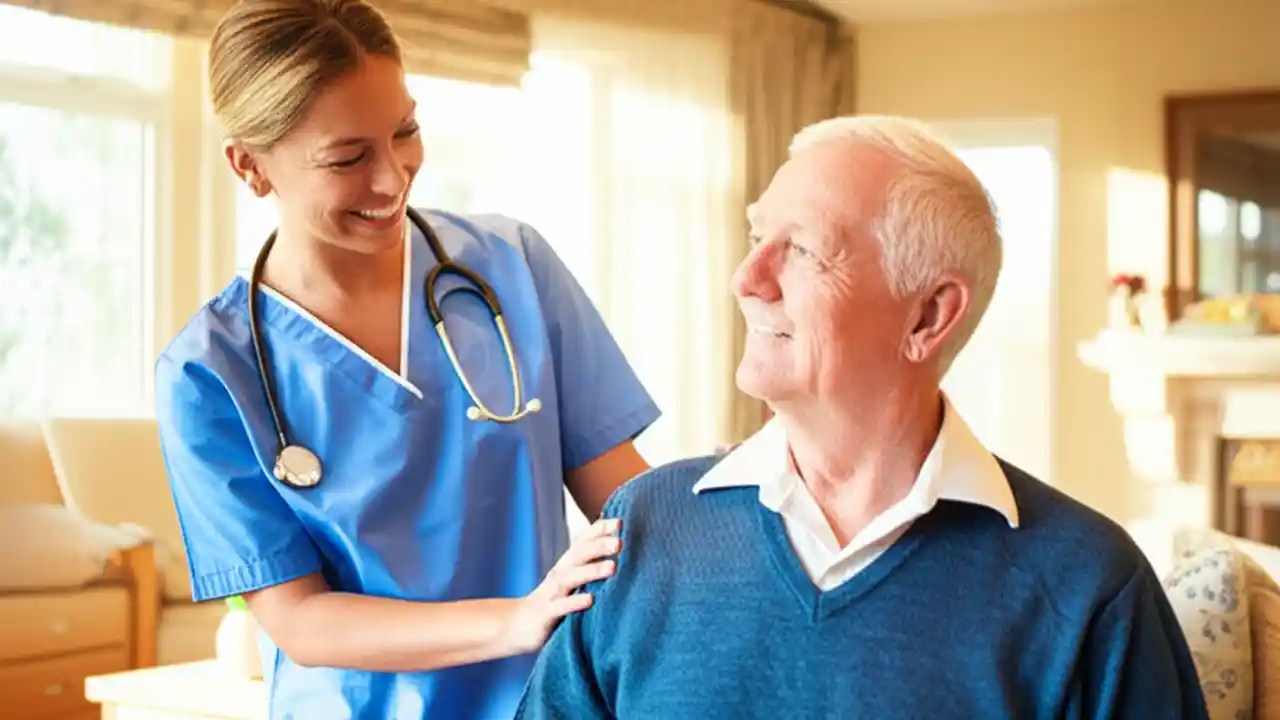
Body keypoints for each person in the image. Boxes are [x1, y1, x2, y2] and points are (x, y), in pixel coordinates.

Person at [514, 116, 1210, 719]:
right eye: (757, 235)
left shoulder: (1088, 585)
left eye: (806, 250)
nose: (747, 278)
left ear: (929, 315)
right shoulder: (645, 528)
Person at [153, 1, 659, 717]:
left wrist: (732, 518)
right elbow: (300, 619)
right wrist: (515, 619)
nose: (393, 178)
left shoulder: (513, 267)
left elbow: (621, 498)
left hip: (543, 701)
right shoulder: (210, 372)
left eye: (405, 131)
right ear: (250, 166)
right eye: (348, 157)